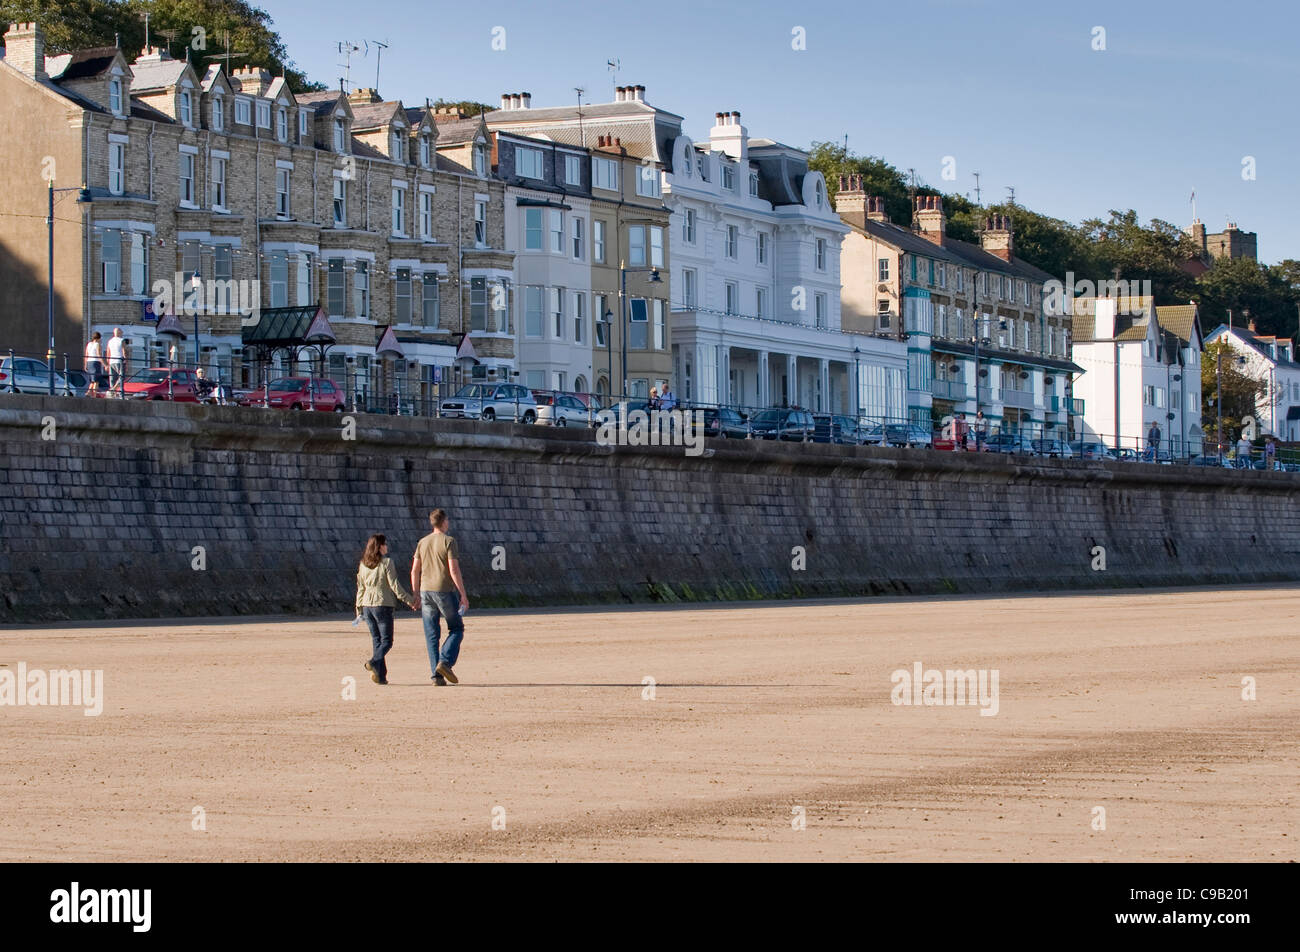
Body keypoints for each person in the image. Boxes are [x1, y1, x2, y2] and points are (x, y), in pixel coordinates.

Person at [411, 509, 469, 686]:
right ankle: (444, 662)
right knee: (457, 628)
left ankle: (436, 676)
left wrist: (415, 594)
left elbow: (414, 570)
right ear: (443, 522)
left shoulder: (422, 542)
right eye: (447, 521)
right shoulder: (449, 541)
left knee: (431, 635)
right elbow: (453, 569)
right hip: (443, 590)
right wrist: (463, 595)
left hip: (425, 592)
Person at [355, 534, 418, 685]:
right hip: (382, 604)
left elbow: (360, 588)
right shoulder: (387, 563)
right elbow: (394, 586)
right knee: (387, 641)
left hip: (367, 606)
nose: (387, 547)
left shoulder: (363, 564)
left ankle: (380, 675)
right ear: (379, 547)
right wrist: (410, 600)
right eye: (385, 544)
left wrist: (358, 609)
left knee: (377, 641)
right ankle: (373, 661)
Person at [105, 327, 126, 397]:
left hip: (111, 361)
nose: (122, 333)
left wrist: (107, 364)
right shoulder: (121, 340)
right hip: (119, 360)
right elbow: (124, 352)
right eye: (121, 331)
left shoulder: (110, 341)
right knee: (121, 377)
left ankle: (112, 393)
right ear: (119, 332)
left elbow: (108, 352)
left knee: (112, 378)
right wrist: (126, 361)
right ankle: (115, 390)